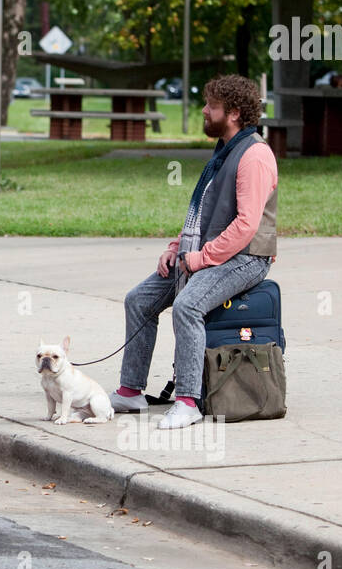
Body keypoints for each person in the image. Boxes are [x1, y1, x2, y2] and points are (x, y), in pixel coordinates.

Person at [111, 74, 278, 429]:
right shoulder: (225, 151)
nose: (204, 110)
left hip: (247, 257)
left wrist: (201, 259)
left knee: (188, 306)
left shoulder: (255, 155)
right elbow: (204, 211)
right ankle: (130, 392)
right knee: (138, 300)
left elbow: (247, 225)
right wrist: (177, 248)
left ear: (233, 113)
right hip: (209, 252)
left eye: (211, 106)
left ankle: (188, 401)